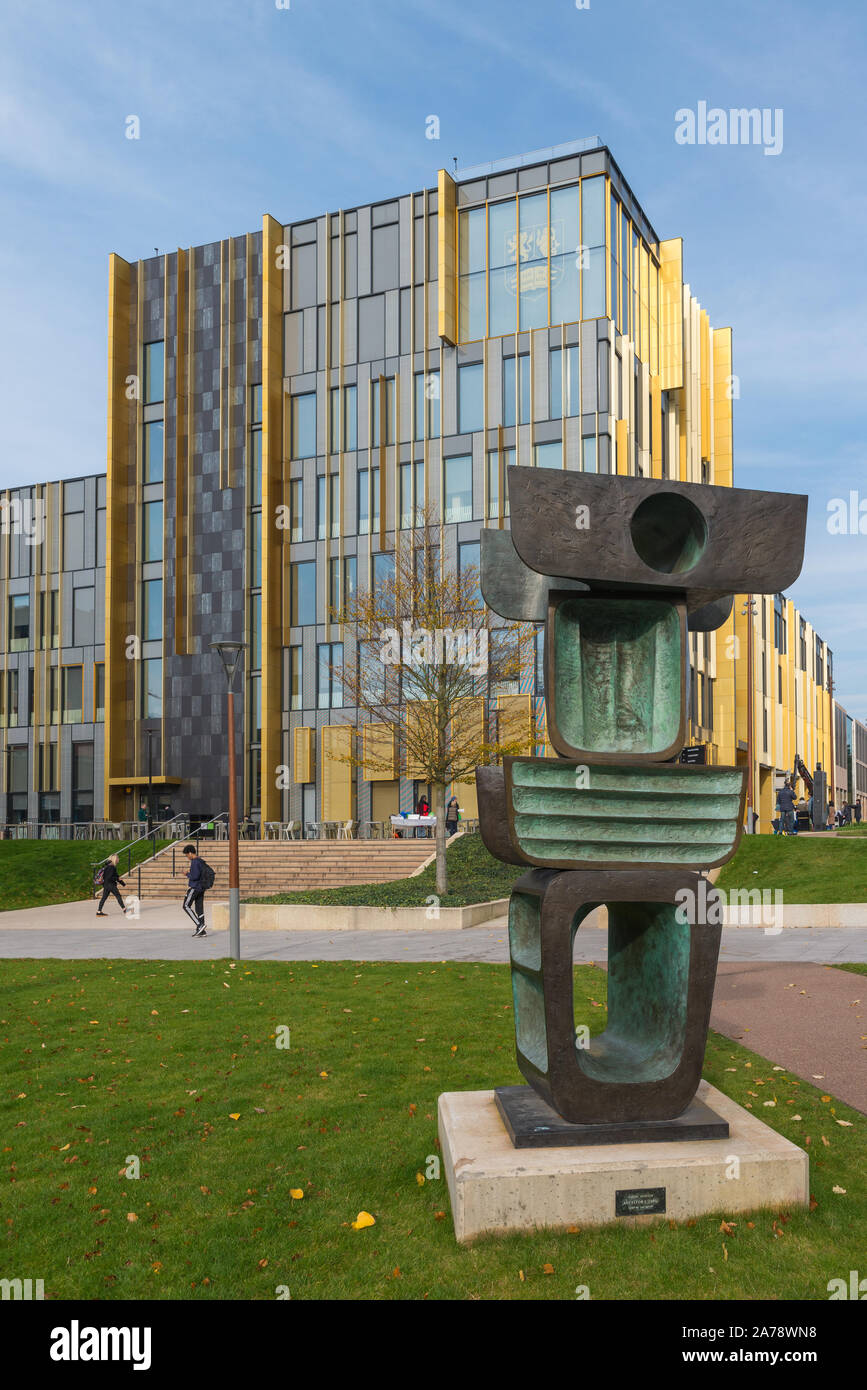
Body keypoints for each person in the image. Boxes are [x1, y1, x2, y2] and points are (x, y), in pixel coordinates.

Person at [182, 843, 210, 937]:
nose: (187, 857)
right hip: (201, 888)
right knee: (199, 909)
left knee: (186, 906)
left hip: (195, 887)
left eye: (187, 855)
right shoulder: (200, 861)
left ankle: (199, 925)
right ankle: (202, 931)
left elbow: (195, 876)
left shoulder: (194, 861)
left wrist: (187, 874)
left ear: (190, 853)